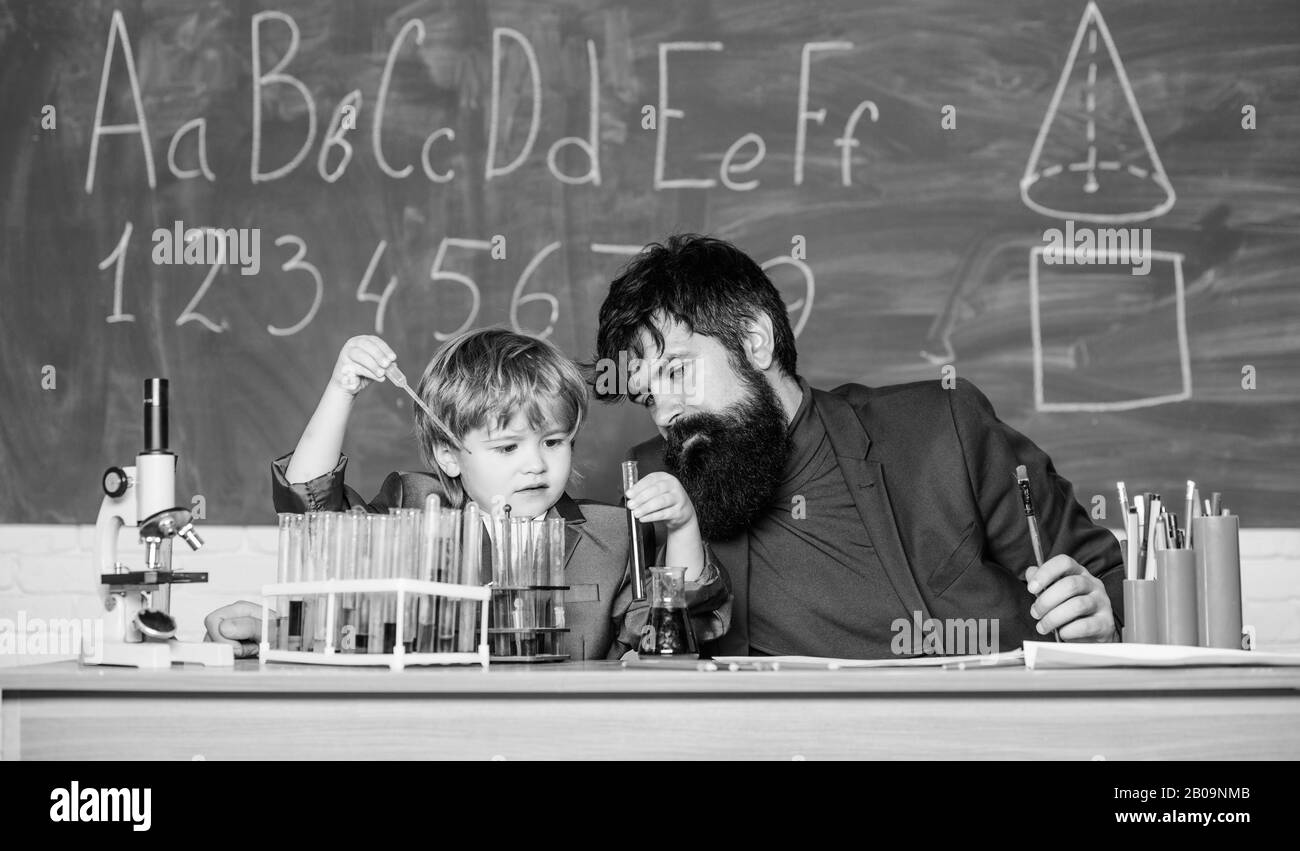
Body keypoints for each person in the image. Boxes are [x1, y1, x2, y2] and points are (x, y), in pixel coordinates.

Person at [595, 234, 1122, 658]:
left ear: (754, 340)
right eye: (647, 397)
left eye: (678, 371)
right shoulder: (657, 486)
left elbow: (1108, 580)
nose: (665, 414)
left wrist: (1105, 617)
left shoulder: (941, 429)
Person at [205, 328, 729, 659]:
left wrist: (684, 526)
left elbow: (672, 636)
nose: (537, 464)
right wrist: (341, 389)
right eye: (507, 448)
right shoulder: (416, 509)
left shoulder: (611, 535)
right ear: (450, 455)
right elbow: (309, 508)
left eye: (554, 441)